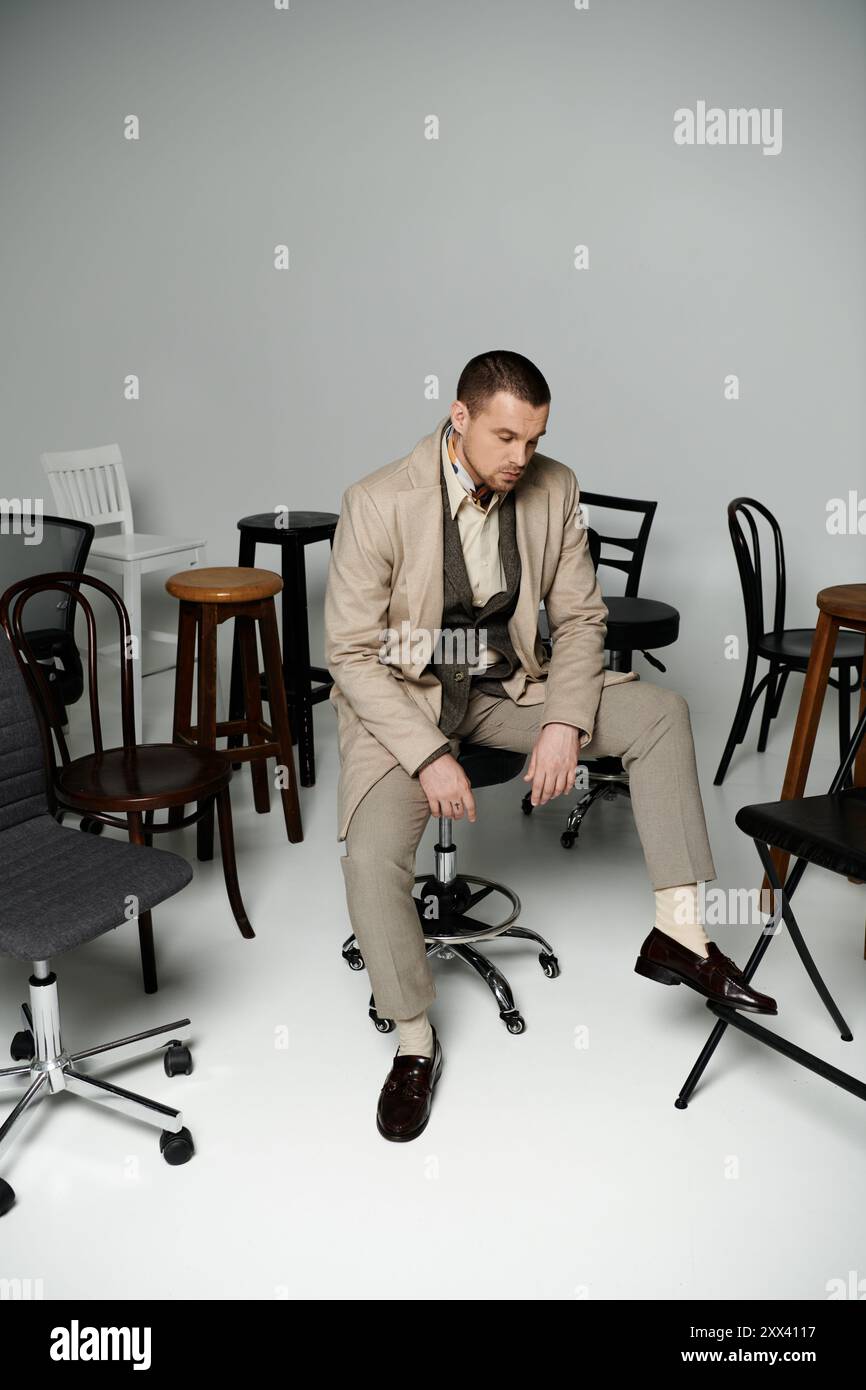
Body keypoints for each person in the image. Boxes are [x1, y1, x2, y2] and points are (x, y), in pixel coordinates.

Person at [324, 349, 776, 1143]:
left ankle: (679, 932)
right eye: (505, 439)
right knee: (369, 859)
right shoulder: (377, 501)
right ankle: (415, 1044)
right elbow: (353, 657)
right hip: (408, 710)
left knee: (661, 712)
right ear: (458, 419)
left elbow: (581, 621)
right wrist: (429, 756)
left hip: (509, 694)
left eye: (533, 440)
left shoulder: (553, 487)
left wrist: (566, 720)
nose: (520, 459)